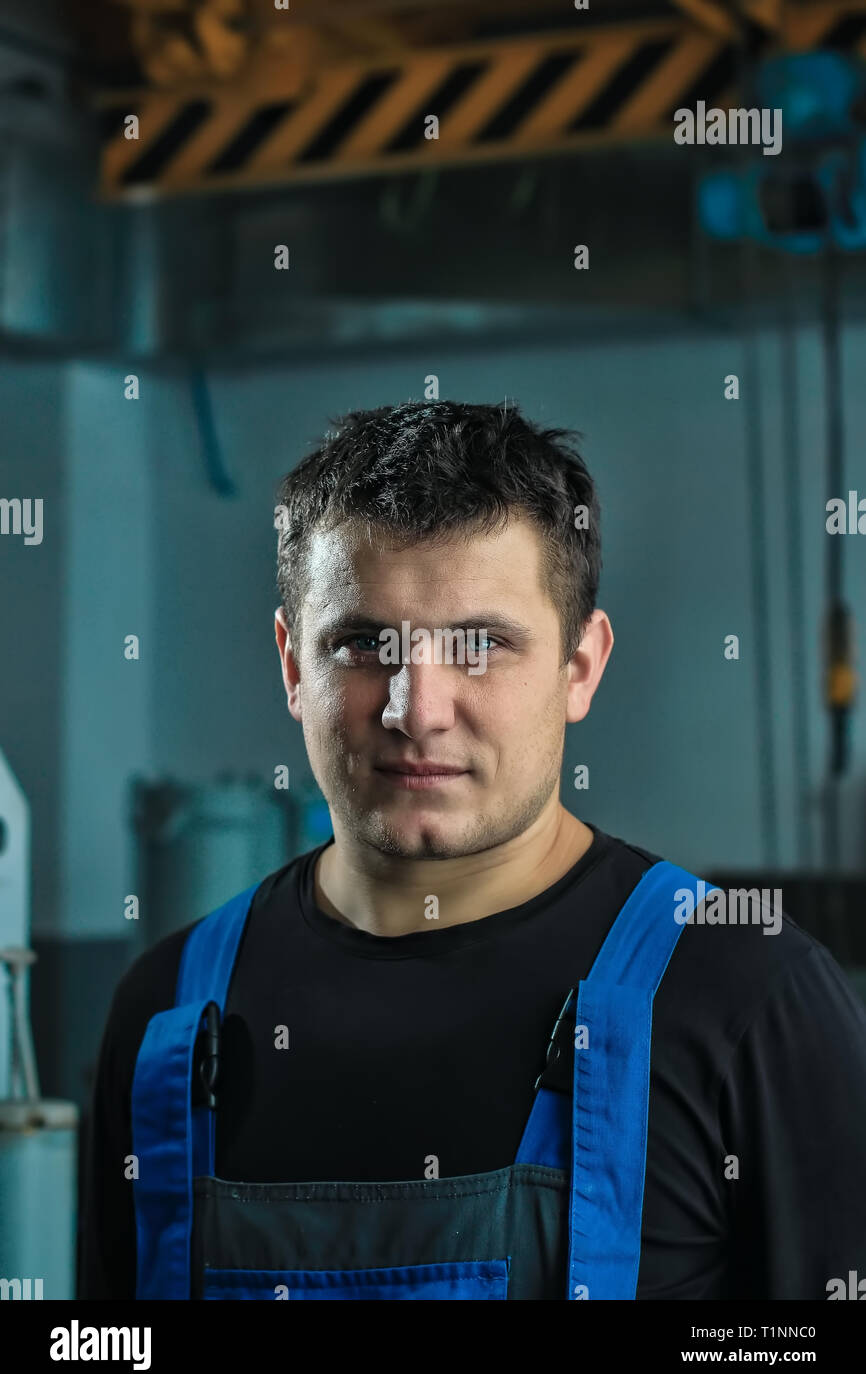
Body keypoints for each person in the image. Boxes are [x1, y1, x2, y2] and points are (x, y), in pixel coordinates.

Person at [81, 400, 866, 1300]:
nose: (417, 710)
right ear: (294, 667)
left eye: (482, 644)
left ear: (580, 667)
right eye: (364, 643)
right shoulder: (167, 1021)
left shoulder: (752, 998)